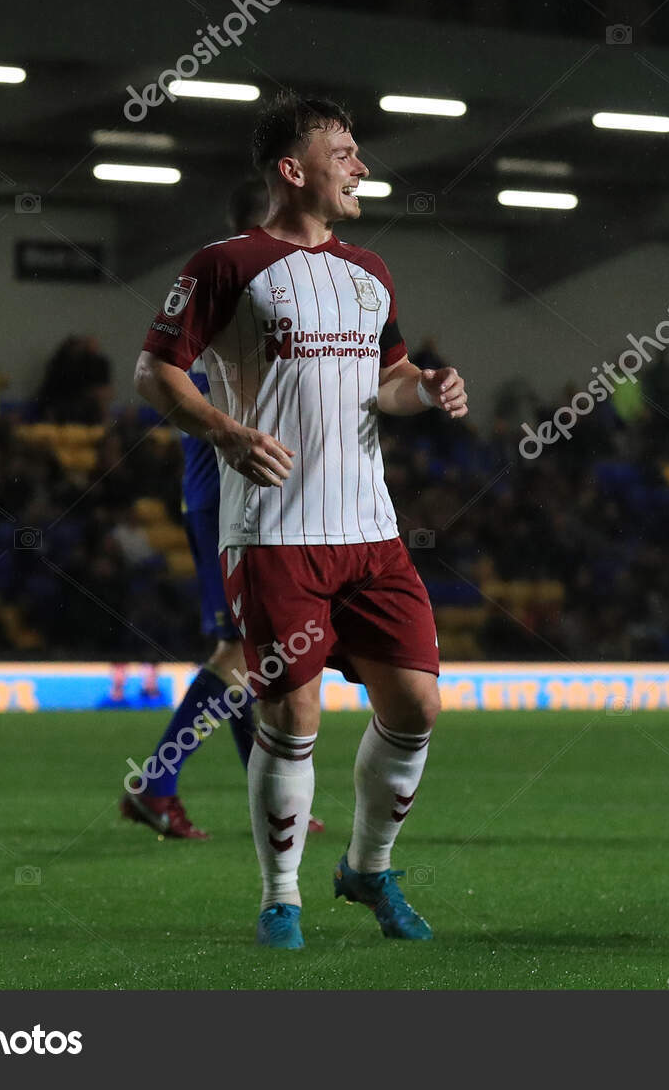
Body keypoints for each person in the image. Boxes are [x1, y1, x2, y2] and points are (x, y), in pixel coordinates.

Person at [132, 91, 467, 950]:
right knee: (292, 722)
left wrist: (423, 388)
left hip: (372, 532)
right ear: (294, 170)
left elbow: (387, 378)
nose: (362, 166)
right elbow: (153, 373)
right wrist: (226, 432)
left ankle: (366, 868)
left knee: (419, 705)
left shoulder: (371, 272)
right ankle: (281, 897)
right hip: (275, 531)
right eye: (346, 152)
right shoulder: (224, 264)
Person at [119, 179, 327, 843]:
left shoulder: (235, 287)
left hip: (230, 493)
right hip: (223, 498)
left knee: (251, 649)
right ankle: (154, 781)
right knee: (239, 649)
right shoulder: (233, 285)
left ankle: (266, 796)